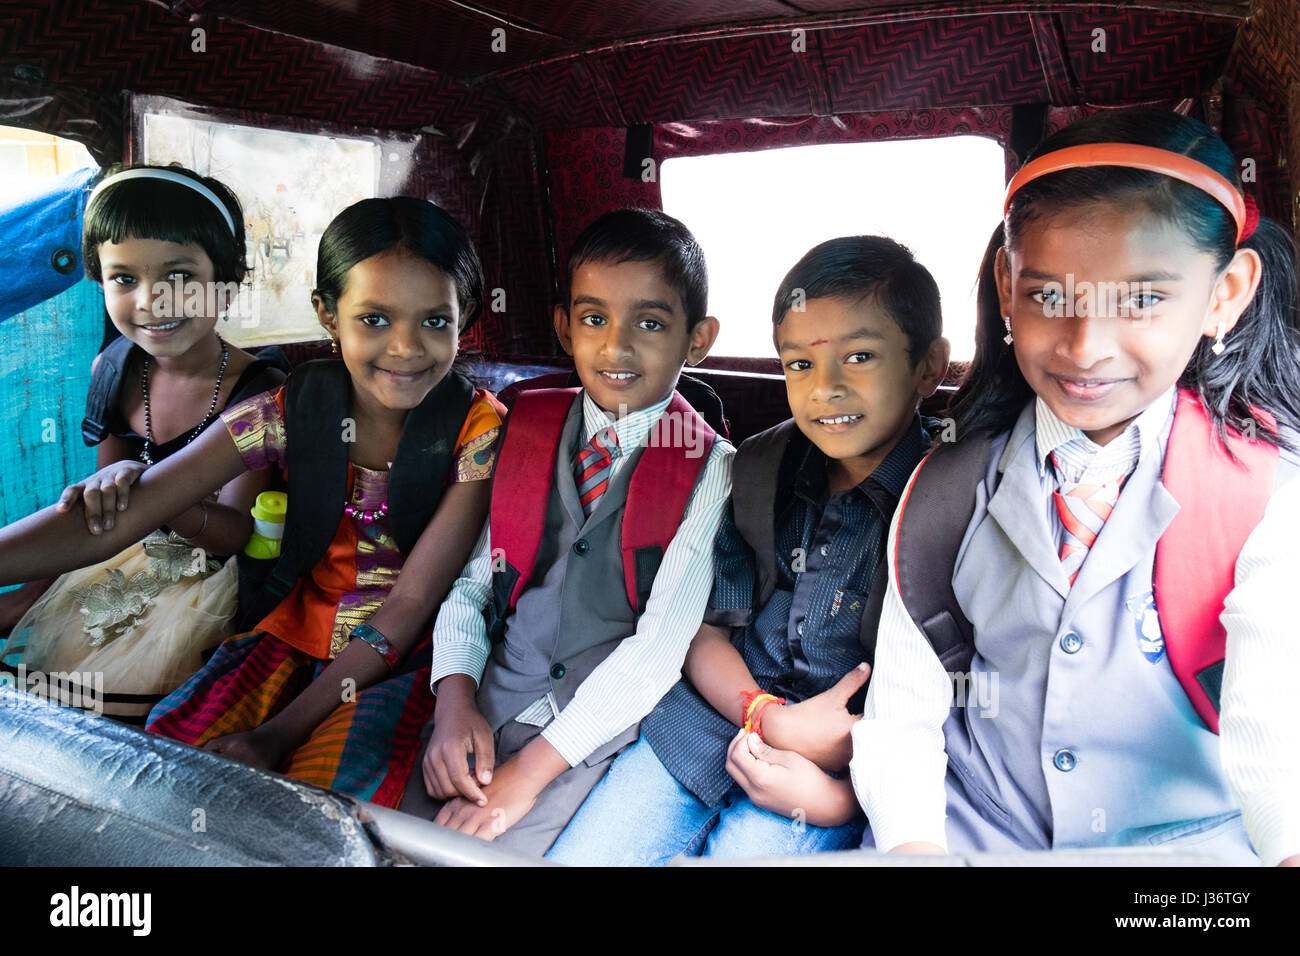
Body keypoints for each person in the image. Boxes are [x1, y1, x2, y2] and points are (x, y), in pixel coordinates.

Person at [850, 107, 1300, 866]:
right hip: (972, 838)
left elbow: (1277, 726)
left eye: (1143, 299)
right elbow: (906, 711)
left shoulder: (1266, 494)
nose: (1085, 348)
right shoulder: (946, 485)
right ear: (1006, 283)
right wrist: (915, 850)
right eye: (1049, 297)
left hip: (1186, 861)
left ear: (1225, 294)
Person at [0, 197, 503, 808]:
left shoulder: (476, 430)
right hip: (291, 634)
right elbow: (130, 514)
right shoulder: (289, 412)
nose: (405, 349)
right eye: (374, 319)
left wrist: (277, 734)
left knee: (328, 797)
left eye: (434, 322)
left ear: (465, 317)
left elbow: (411, 602)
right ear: (326, 313)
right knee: (164, 770)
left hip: (404, 655)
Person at [547, 236, 950, 864]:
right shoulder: (761, 471)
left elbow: (948, 708)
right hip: (700, 724)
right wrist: (765, 715)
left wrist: (844, 797)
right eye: (800, 365)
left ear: (929, 366)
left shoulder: (947, 500)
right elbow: (703, 632)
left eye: (861, 357)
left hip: (835, 773)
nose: (825, 390)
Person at [404, 208, 735, 855]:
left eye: (650, 322)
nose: (616, 347)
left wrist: (529, 773)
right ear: (564, 327)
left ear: (697, 340)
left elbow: (656, 653)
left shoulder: (712, 468)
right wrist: (454, 700)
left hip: (592, 732)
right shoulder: (525, 428)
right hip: (486, 702)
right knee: (399, 844)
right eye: (593, 319)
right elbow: (472, 588)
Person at [0, 165, 286, 725]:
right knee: (49, 679)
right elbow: (98, 519)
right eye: (124, 279)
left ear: (227, 279)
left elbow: (237, 535)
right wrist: (31, 597)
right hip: (116, 559)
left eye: (179, 275)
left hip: (210, 584)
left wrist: (155, 493)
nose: (152, 299)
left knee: (129, 698)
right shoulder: (112, 369)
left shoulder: (262, 392)